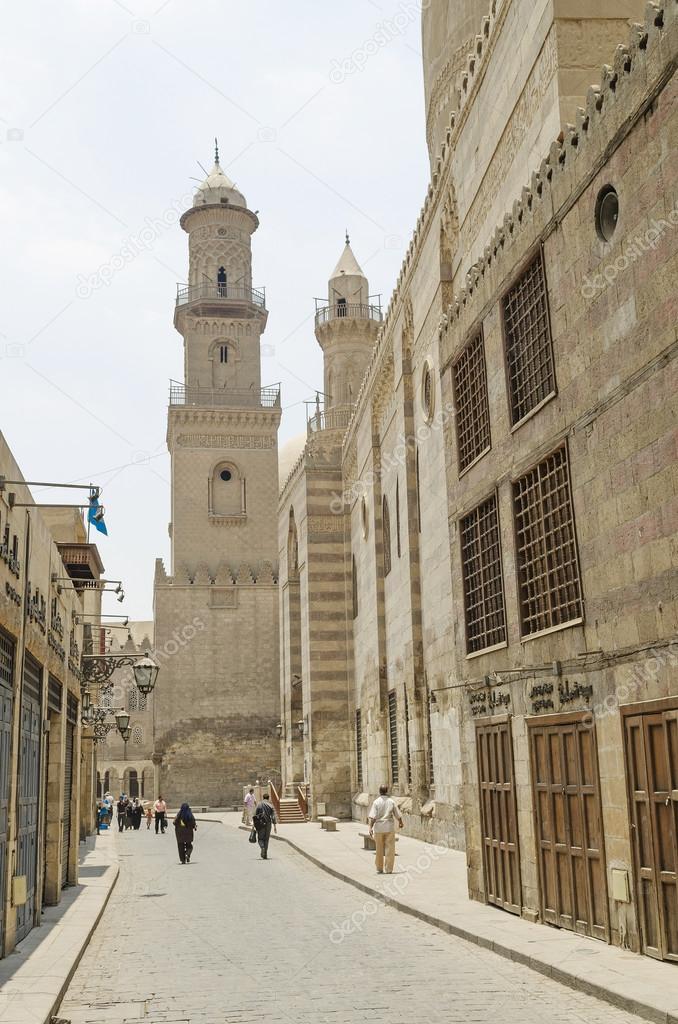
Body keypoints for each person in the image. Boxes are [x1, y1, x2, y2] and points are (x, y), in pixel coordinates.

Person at [368, 784, 404, 874]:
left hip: (379, 828)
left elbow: (373, 817)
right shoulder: (391, 801)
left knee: (379, 848)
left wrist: (370, 827)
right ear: (387, 791)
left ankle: (379, 868)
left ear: (380, 792)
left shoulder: (376, 802)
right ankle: (389, 869)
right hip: (389, 827)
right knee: (390, 849)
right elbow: (397, 814)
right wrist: (400, 822)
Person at [252, 792, 277, 860]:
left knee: (260, 839)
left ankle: (262, 848)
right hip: (268, 824)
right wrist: (274, 826)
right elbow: (273, 816)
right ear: (268, 798)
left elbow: (255, 815)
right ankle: (265, 854)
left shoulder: (259, 804)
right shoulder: (270, 805)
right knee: (266, 839)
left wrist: (254, 825)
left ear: (263, 798)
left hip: (261, 824)